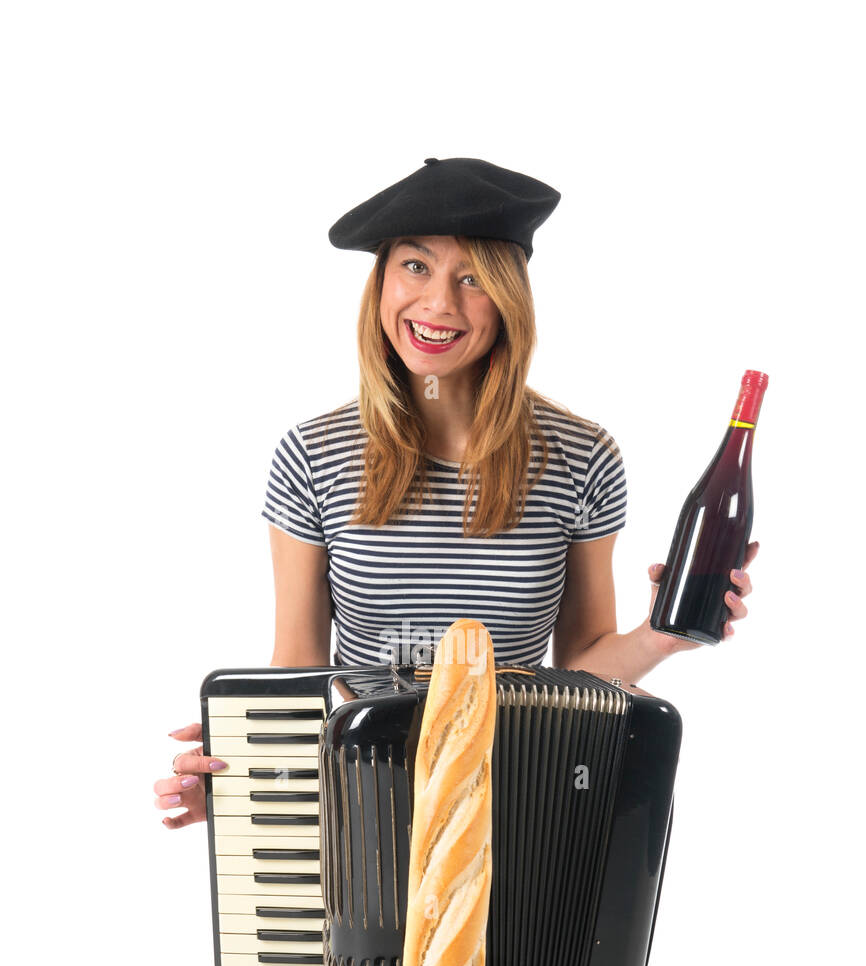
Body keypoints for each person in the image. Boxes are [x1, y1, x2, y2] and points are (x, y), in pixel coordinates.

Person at [154, 157, 757, 830]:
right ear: (381, 280)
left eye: (471, 278)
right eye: (416, 266)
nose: (438, 302)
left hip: (526, 797)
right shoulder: (313, 455)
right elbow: (299, 667)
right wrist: (246, 780)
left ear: (507, 300)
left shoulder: (582, 457)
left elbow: (582, 670)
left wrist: (659, 638)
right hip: (366, 798)